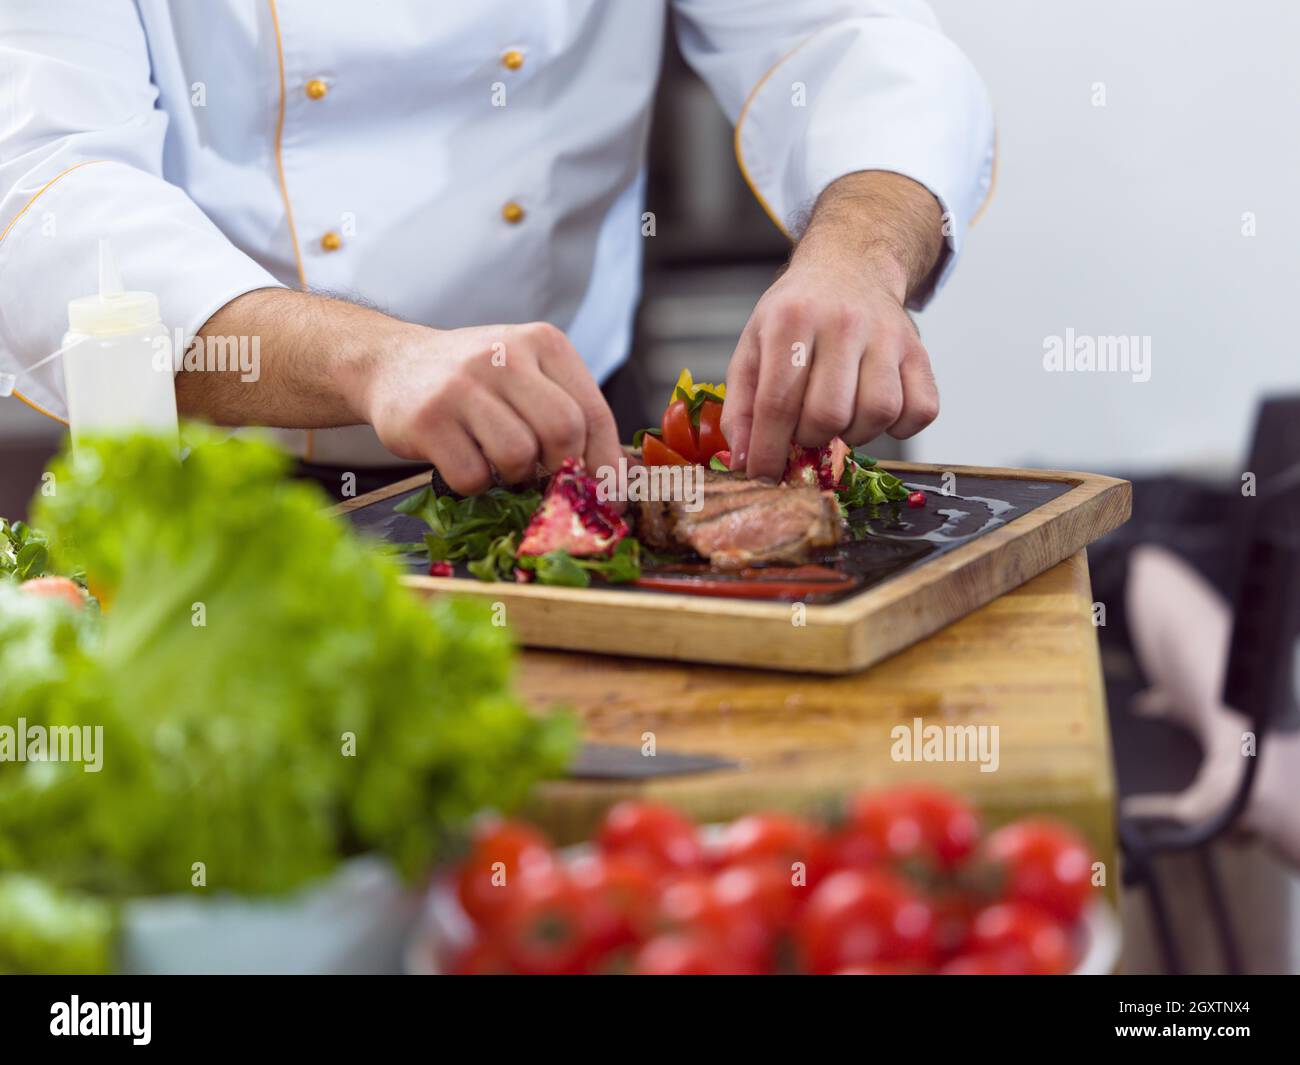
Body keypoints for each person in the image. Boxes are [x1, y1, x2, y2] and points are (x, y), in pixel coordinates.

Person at [0, 0, 994, 492]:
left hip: (569, 446)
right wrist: (373, 359)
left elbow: (844, 35)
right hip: (215, 480)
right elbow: (42, 184)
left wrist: (857, 253)